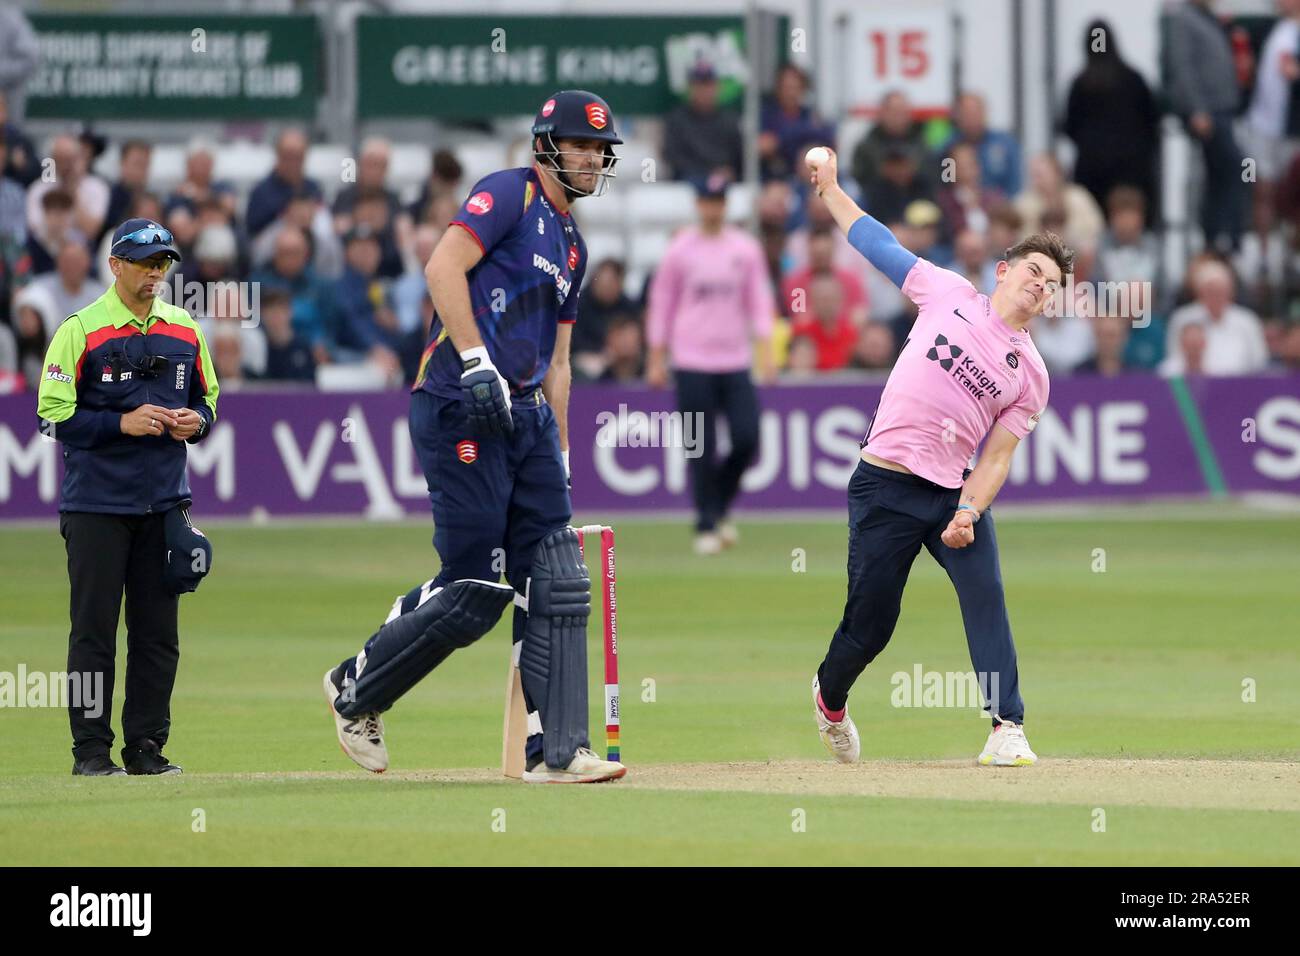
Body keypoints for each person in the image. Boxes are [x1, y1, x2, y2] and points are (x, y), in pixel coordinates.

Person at [321, 90, 627, 784]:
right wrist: (475, 359)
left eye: (600, 149)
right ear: (547, 144)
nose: (592, 157)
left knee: (555, 576)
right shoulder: (509, 195)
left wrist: (566, 451)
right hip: (460, 403)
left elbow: (557, 361)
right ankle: (355, 686)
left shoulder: (574, 247)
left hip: (527, 416)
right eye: (580, 144)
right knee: (473, 591)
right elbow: (440, 268)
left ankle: (553, 751)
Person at [803, 146, 1070, 768]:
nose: (1040, 285)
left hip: (951, 493)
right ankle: (830, 697)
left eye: (1052, 285)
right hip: (885, 483)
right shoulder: (948, 292)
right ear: (1003, 270)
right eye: (1033, 270)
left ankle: (1008, 727)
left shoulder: (1032, 374)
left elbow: (998, 457)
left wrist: (969, 510)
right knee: (872, 623)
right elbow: (879, 246)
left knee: (986, 594)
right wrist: (831, 190)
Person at [35, 218, 220, 776]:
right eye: (144, 263)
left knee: (158, 637)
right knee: (94, 634)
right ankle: (90, 754)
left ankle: (146, 750)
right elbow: (52, 415)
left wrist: (197, 421)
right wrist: (123, 424)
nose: (155, 273)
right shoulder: (80, 329)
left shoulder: (185, 328)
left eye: (162, 264)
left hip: (163, 505)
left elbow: (208, 397)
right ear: (115, 265)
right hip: (96, 507)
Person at [646, 174, 777, 555]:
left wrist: (766, 352)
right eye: (707, 200)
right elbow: (662, 304)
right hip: (691, 360)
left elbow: (758, 302)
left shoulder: (745, 248)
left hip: (735, 359)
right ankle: (706, 521)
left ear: (725, 204)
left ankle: (717, 505)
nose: (712, 207)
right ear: (698, 203)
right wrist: (657, 357)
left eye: (718, 200)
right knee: (700, 446)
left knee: (747, 437)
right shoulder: (680, 249)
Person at [1166, 0, 1247, 252]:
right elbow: (1182, 67)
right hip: (1208, 112)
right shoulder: (1183, 19)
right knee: (1236, 168)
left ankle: (1216, 239)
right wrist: (1196, 109)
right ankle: (1223, 235)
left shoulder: (1208, 18)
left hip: (1222, 110)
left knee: (1218, 175)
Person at [663, 61, 744, 183]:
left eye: (708, 85)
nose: (704, 91)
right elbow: (672, 156)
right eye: (699, 85)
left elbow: (740, 156)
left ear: (717, 87)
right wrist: (708, 172)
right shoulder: (677, 119)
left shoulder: (730, 119)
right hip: (687, 182)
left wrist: (729, 171)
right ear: (691, 88)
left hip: (726, 182)